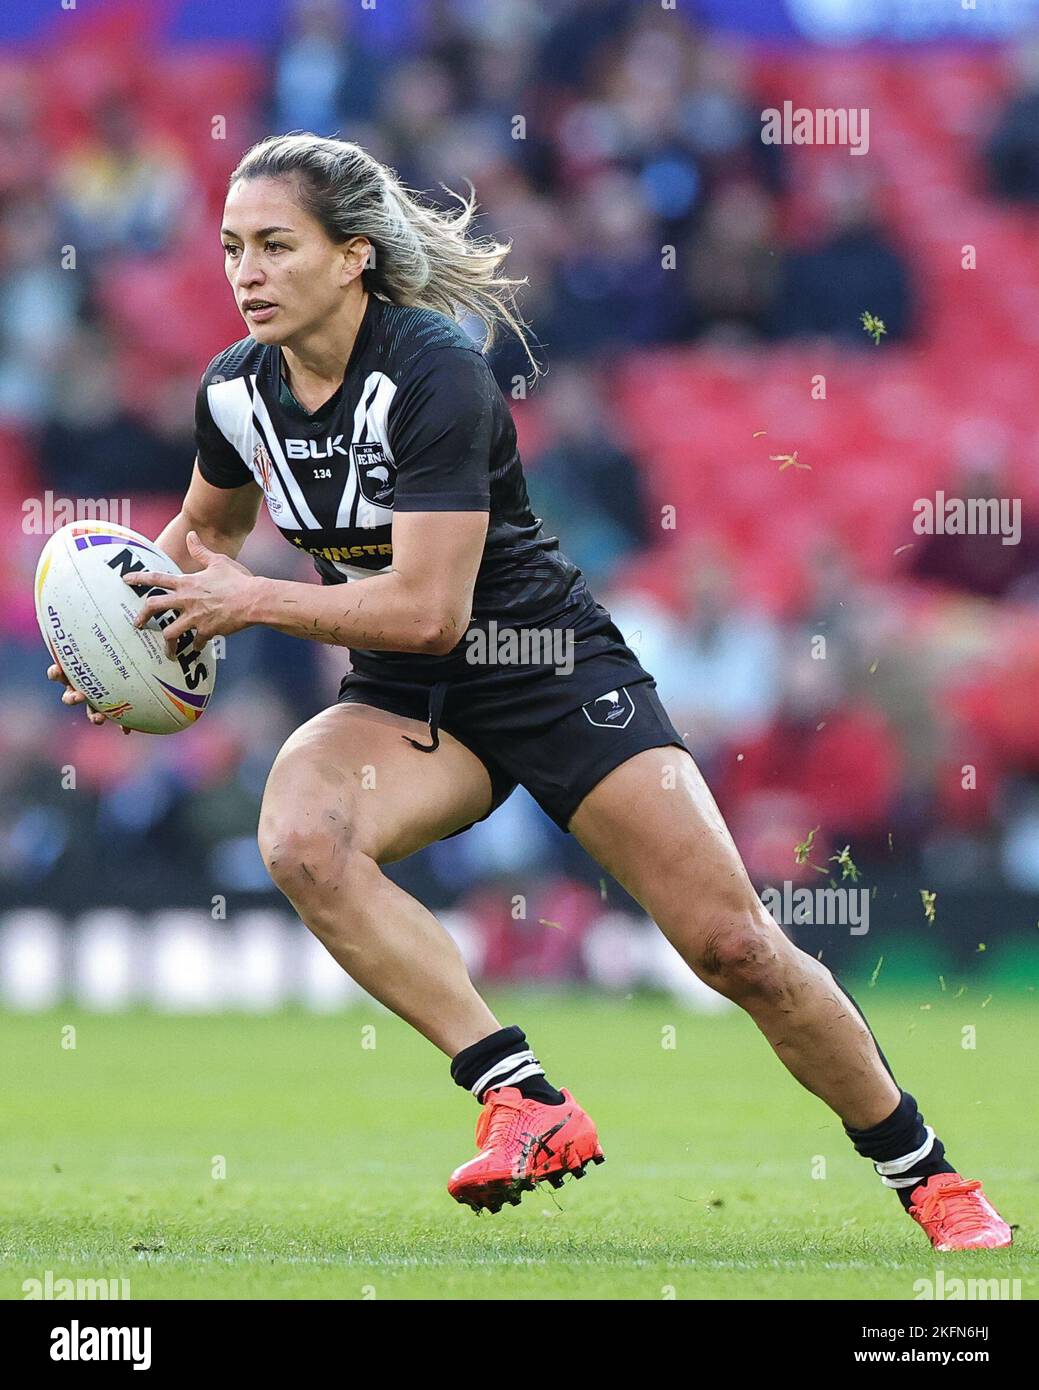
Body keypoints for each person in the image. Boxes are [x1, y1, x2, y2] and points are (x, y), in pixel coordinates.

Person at [49, 134, 1010, 1246]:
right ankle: (524, 1098)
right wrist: (138, 645)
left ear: (353, 255)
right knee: (301, 838)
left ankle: (929, 1175)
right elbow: (204, 539)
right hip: (406, 699)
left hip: (548, 672)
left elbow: (429, 609)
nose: (244, 273)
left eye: (275, 245)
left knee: (734, 946)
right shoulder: (233, 393)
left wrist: (249, 604)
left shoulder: (431, 373)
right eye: (230, 249)